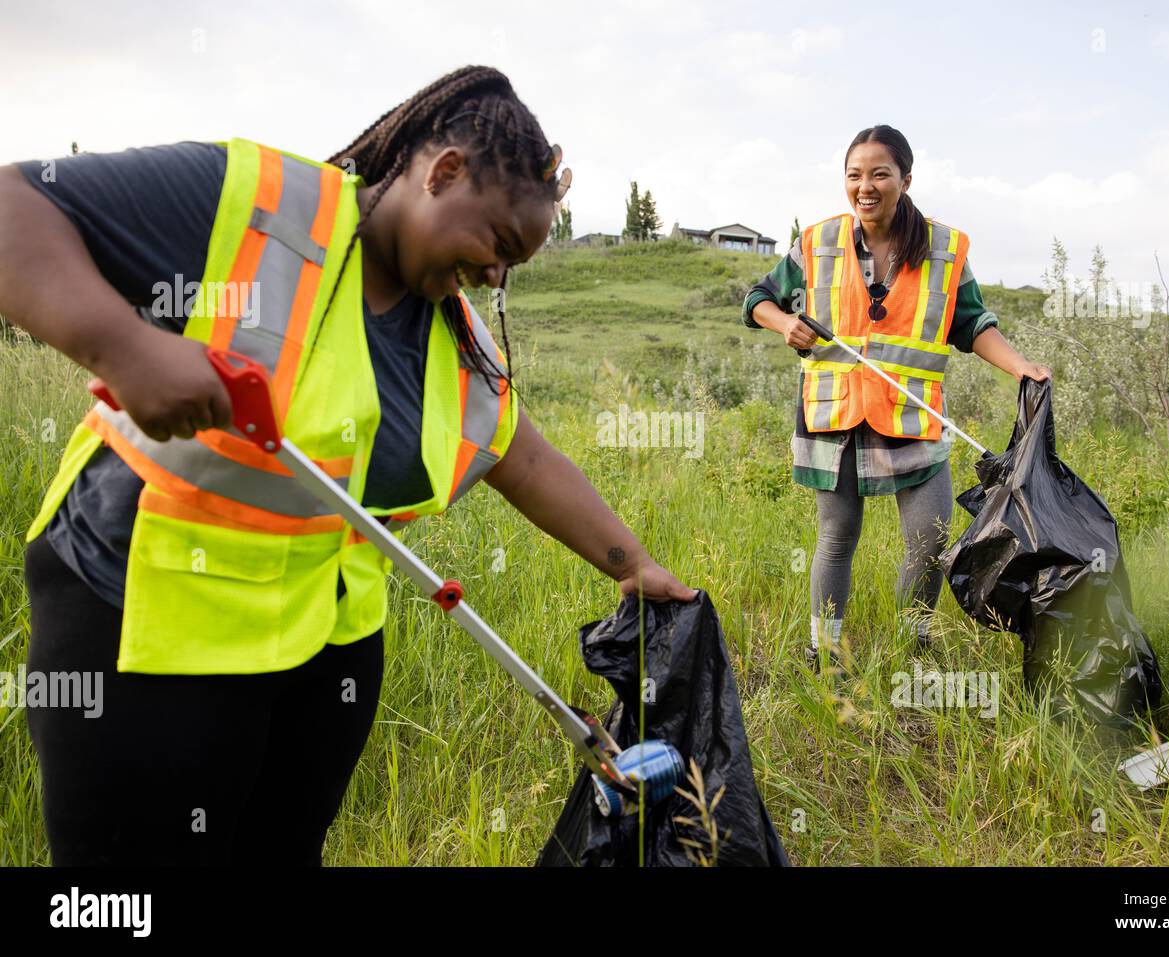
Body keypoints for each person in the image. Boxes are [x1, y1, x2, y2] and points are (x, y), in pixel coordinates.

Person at [0, 65, 696, 866]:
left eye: (513, 265)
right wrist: (125, 349)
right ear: (443, 172)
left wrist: (632, 565)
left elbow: (523, 456)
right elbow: (14, 204)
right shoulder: (256, 204)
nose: (496, 276)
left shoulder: (453, 336)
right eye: (498, 245)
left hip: (322, 648)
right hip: (146, 628)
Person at [742, 125, 1049, 663]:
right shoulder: (817, 243)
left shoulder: (944, 250)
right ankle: (826, 654)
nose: (865, 186)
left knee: (930, 539)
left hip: (911, 414)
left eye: (879, 174)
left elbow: (973, 324)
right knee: (837, 537)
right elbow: (758, 299)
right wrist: (785, 323)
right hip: (834, 414)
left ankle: (912, 648)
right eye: (854, 175)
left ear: (905, 180)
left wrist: (1020, 366)